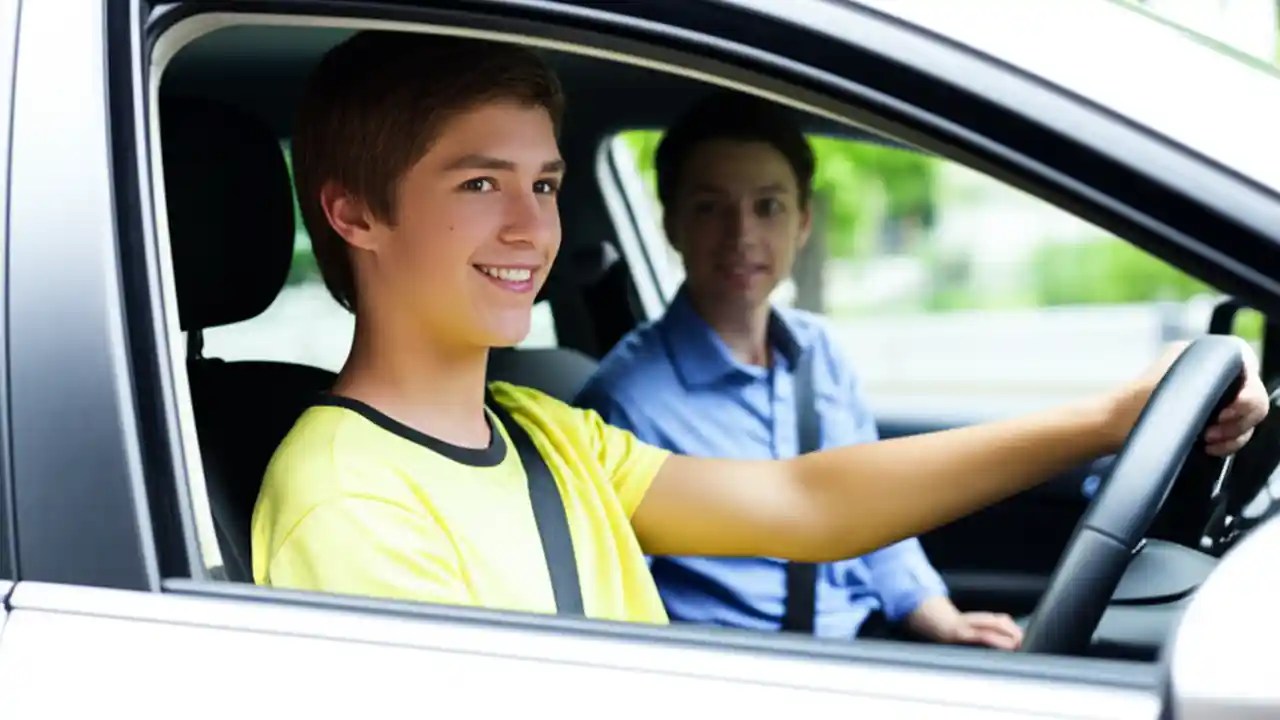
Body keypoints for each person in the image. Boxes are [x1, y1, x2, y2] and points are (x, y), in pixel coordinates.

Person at [250, 31, 1269, 629]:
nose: (533, 228)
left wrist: (1111, 416)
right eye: (480, 183)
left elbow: (801, 502)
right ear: (354, 214)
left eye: (547, 184)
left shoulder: (541, 431)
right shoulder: (345, 497)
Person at [575, 93, 1022, 649]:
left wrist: (938, 615)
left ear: (803, 223)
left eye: (768, 207)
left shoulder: (821, 352)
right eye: (711, 208)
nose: (741, 236)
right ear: (672, 224)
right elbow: (614, 601)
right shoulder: (624, 401)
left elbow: (876, 510)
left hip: (863, 646)